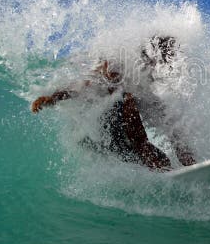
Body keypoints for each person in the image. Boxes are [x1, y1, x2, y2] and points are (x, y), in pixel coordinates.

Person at [31, 36, 196, 171]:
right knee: (129, 102)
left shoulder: (145, 77)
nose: (168, 65)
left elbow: (165, 118)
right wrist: (52, 98)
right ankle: (160, 167)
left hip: (120, 136)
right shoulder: (119, 67)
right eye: (166, 59)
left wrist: (191, 164)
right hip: (98, 136)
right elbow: (81, 87)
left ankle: (185, 164)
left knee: (168, 135)